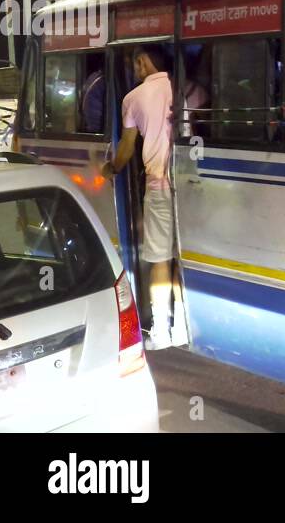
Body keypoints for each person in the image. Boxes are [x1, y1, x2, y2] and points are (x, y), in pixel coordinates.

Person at [104, 45, 175, 350]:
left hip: (158, 184)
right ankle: (182, 320)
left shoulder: (132, 98)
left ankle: (161, 330)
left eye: (135, 64)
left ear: (143, 62)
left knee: (160, 257)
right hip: (189, 185)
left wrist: (113, 167)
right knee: (181, 255)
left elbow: (127, 146)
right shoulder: (185, 86)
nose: (134, 70)